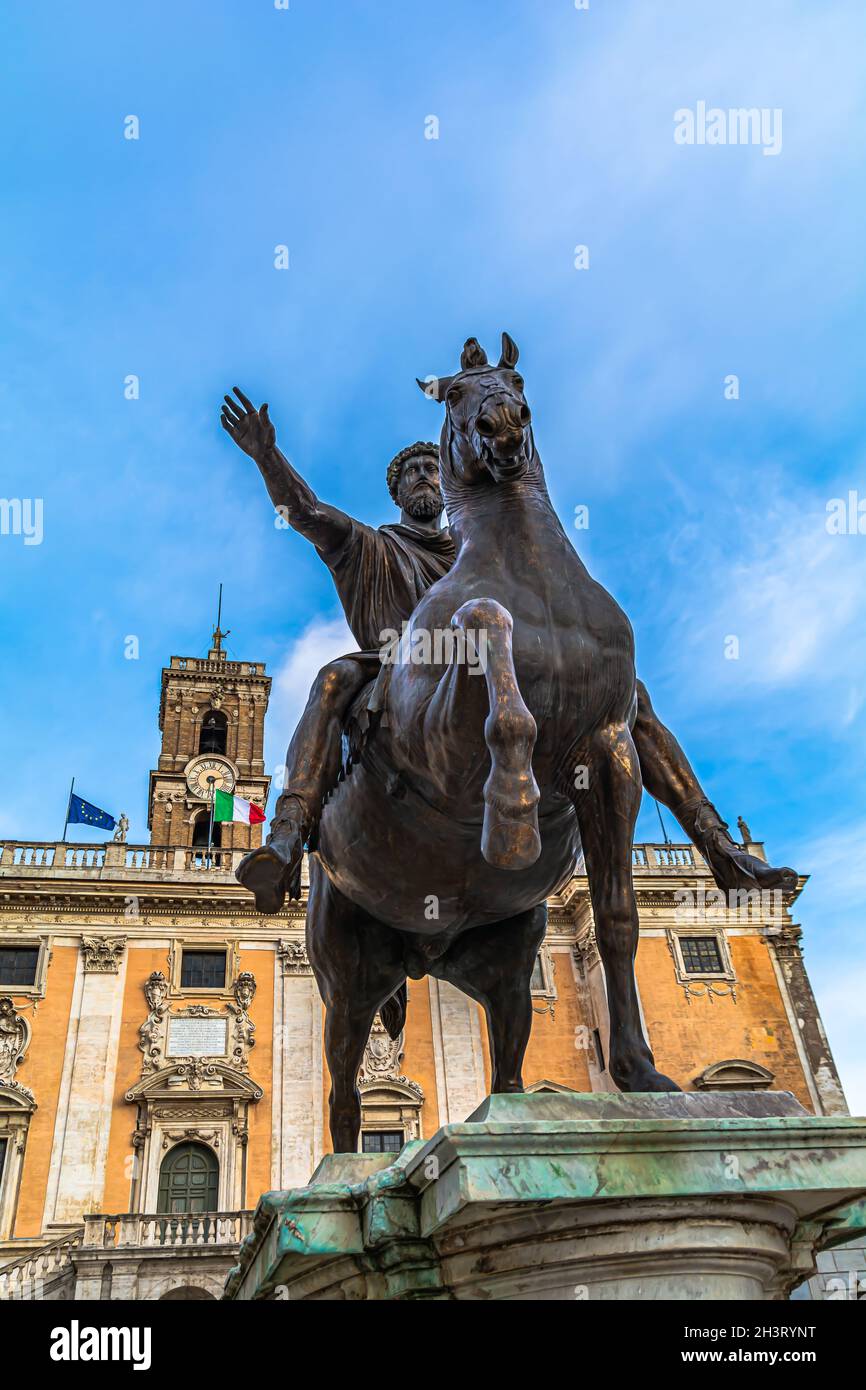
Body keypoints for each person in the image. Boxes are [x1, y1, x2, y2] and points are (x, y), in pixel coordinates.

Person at [221, 388, 795, 913]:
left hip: (497, 666)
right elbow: (307, 513)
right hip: (401, 666)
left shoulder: (481, 552)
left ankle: (717, 847)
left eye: (430, 469)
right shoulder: (370, 546)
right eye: (411, 474)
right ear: (396, 492)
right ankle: (289, 833)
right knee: (329, 679)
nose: (422, 477)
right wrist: (266, 456)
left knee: (626, 695)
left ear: (446, 483)